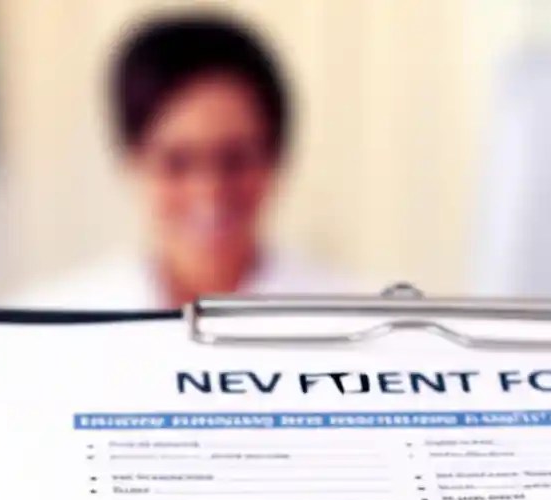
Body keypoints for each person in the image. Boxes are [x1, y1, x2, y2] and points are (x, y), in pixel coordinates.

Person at [18, 14, 351, 310]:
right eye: (176, 163)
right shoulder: (47, 329)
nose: (209, 191)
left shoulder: (358, 325)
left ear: (276, 156)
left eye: (235, 160)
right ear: (131, 159)